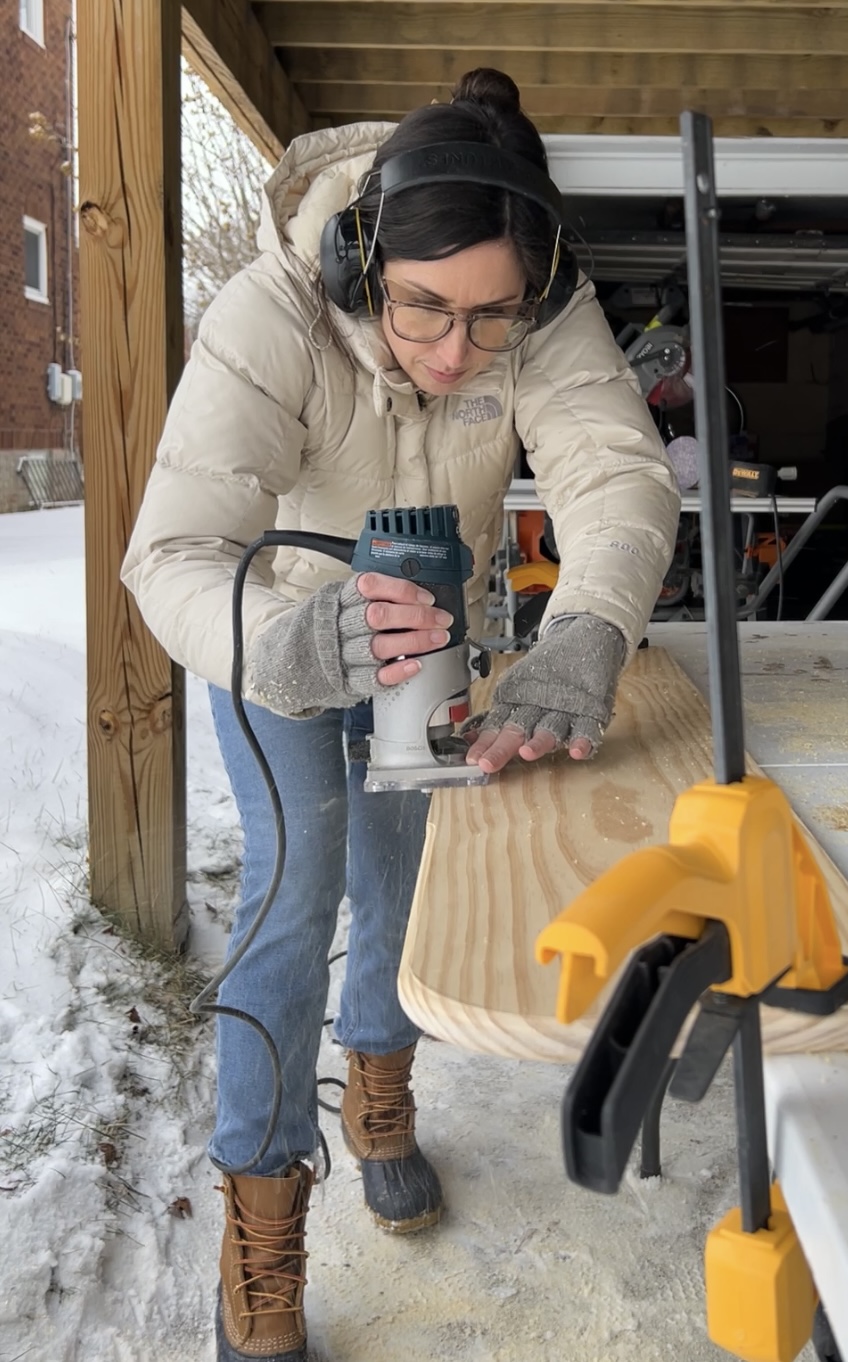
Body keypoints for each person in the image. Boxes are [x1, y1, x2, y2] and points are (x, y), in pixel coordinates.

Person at [122, 68, 680, 1362]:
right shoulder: (270, 311)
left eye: (491, 320)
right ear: (363, 253)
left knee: (402, 883)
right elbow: (170, 551)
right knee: (294, 890)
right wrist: (287, 642)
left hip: (428, 638)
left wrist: (587, 627)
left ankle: (379, 1100)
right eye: (423, 309)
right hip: (277, 635)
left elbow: (612, 470)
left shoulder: (540, 305)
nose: (450, 352)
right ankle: (260, 1233)